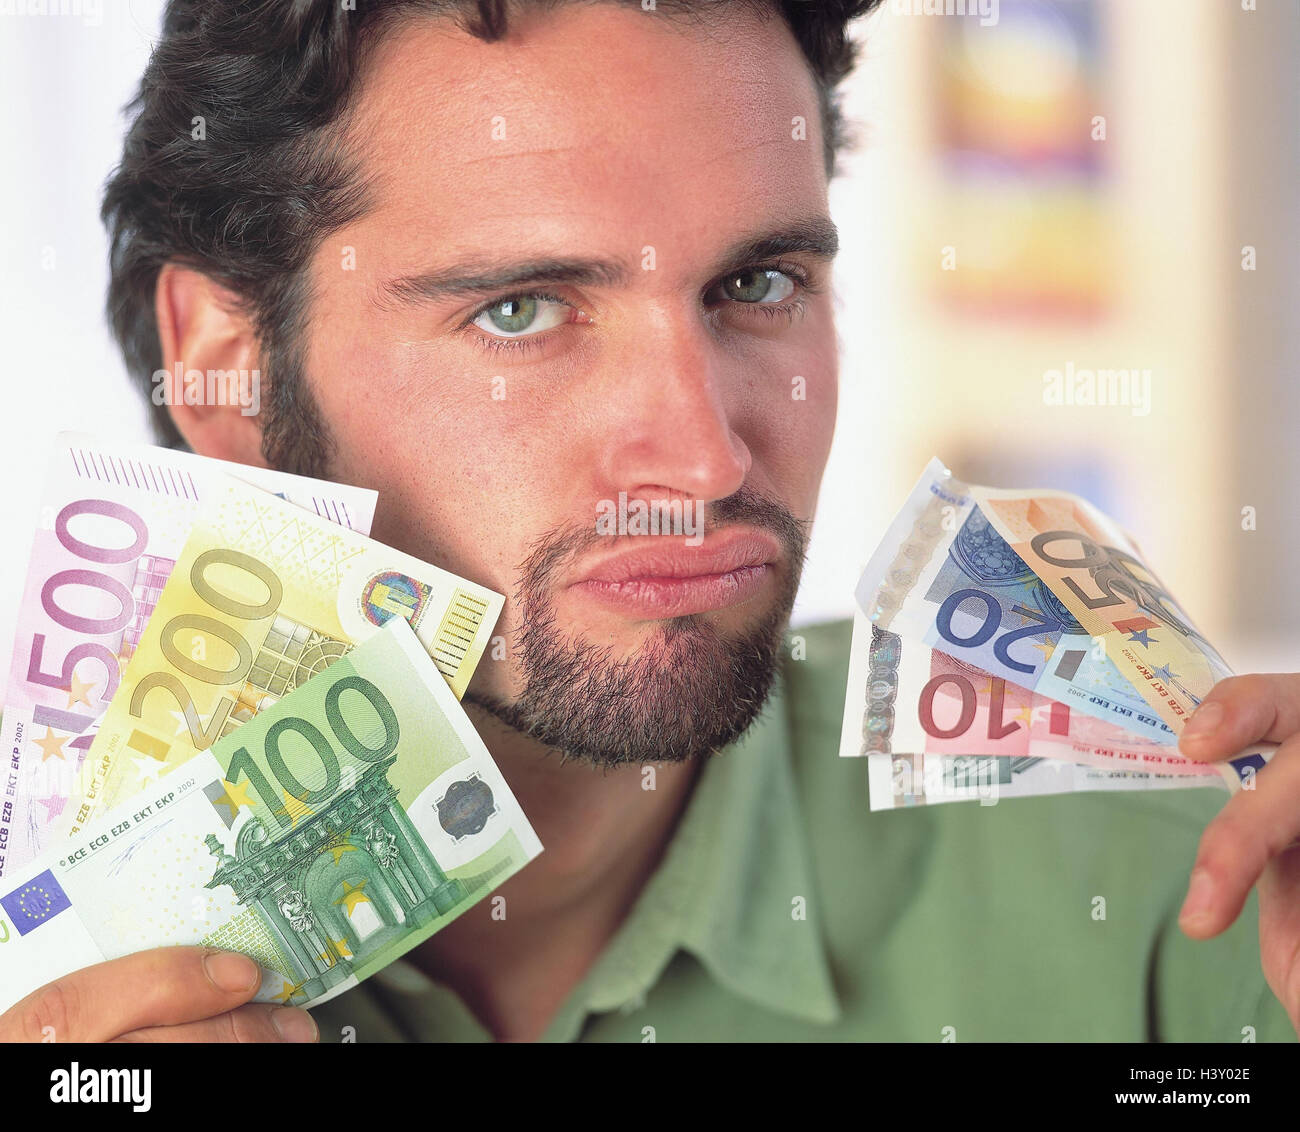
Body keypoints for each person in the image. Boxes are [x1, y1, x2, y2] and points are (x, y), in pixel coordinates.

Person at [2, 0, 1295, 1043]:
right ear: (231, 365)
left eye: (758, 282)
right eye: (520, 309)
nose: (706, 454)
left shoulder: (1199, 899)